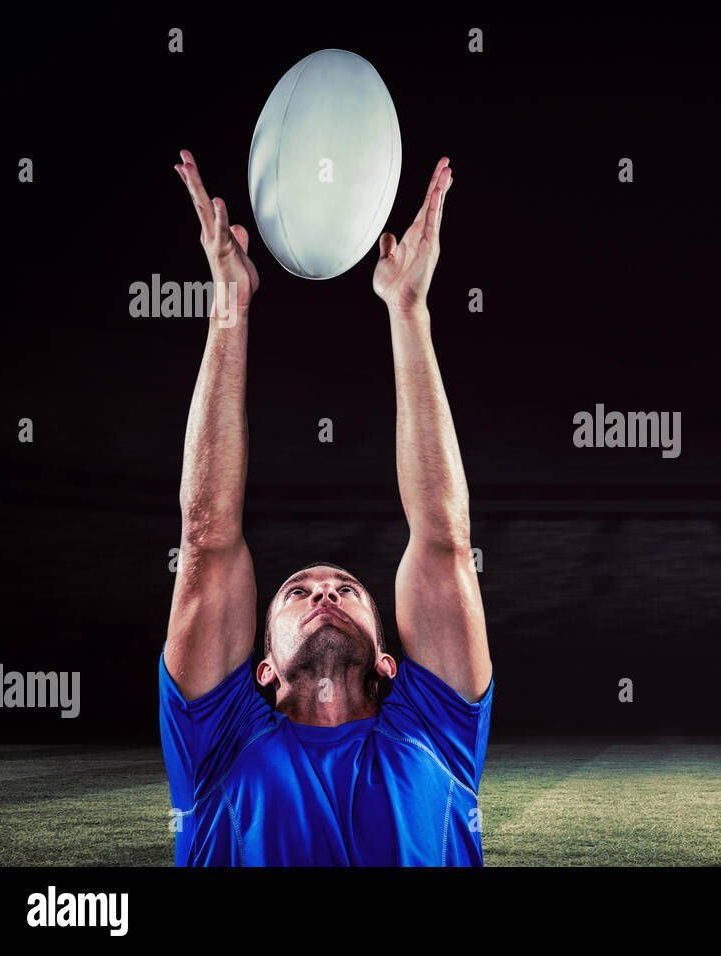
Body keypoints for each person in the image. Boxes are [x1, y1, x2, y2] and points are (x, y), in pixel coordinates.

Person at [159, 149, 492, 865]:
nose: (326, 592)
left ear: (388, 657)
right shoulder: (217, 745)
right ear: (263, 671)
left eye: (343, 589)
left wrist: (409, 310)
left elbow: (444, 541)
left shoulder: (435, 735)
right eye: (299, 591)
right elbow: (206, 541)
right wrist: (229, 307)